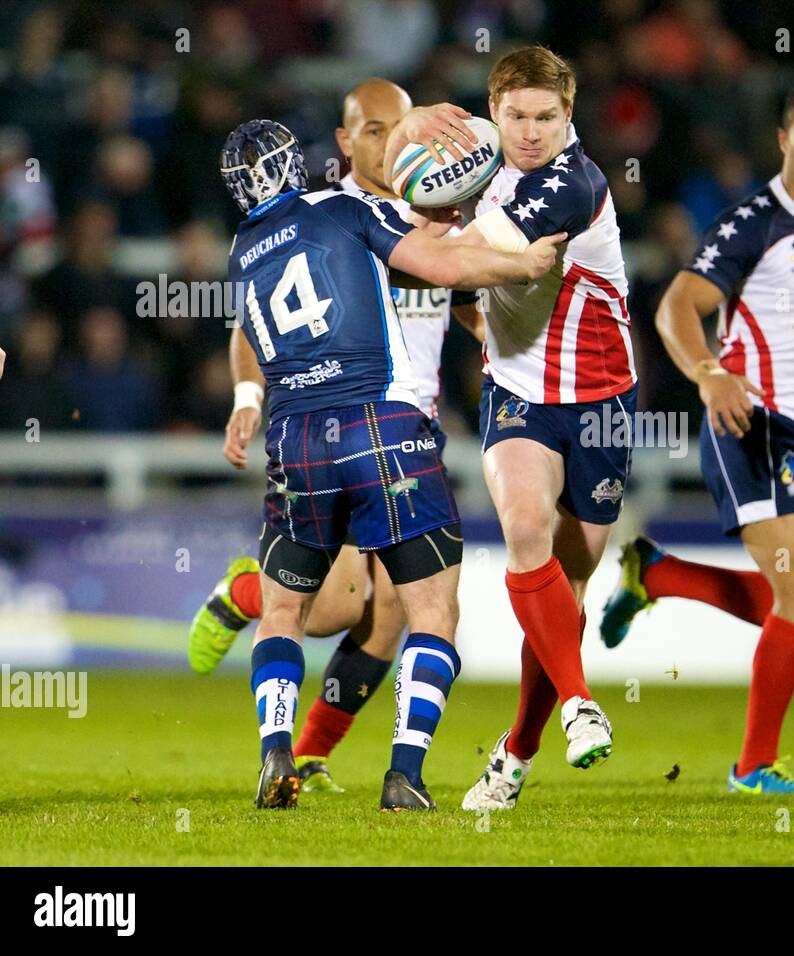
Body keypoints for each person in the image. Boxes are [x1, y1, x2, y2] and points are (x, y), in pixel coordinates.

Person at [218, 117, 562, 810]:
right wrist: (520, 265)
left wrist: (432, 225)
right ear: (297, 163)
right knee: (431, 613)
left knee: (284, 612)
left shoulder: (242, 252)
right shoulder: (345, 208)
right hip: (383, 424)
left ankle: (276, 753)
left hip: (297, 441)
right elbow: (434, 269)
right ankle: (404, 773)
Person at [600, 80, 794, 795]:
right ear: (783, 141)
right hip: (752, 425)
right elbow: (678, 304)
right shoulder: (755, 223)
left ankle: (658, 575)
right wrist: (709, 375)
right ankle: (753, 767)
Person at [188, 80, 482, 795]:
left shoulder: (429, 211)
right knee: (345, 608)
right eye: (374, 131)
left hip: (409, 429)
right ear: (346, 142)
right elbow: (249, 326)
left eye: (401, 127)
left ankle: (308, 756)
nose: (391, 142)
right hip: (353, 429)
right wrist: (248, 395)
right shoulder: (332, 215)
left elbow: (475, 311)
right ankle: (250, 593)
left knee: (389, 621)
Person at [386, 46, 638, 810]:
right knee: (526, 527)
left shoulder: (574, 183)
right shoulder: (476, 163)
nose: (531, 133)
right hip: (519, 396)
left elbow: (432, 263)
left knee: (571, 583)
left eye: (547, 117)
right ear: (493, 114)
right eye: (517, 117)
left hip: (601, 402)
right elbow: (424, 240)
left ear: (570, 117)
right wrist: (404, 126)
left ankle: (517, 748)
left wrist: (422, 234)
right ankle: (580, 706)